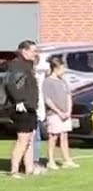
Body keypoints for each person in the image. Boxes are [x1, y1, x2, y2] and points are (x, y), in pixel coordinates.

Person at [5, 40, 40, 178]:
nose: (35, 54)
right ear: (24, 51)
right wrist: (19, 100)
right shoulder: (17, 65)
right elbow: (12, 84)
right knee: (23, 139)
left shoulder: (27, 65)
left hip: (30, 106)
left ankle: (29, 169)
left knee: (30, 139)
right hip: (22, 107)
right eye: (33, 51)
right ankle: (14, 170)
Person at [41, 55, 77, 169]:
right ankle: (50, 161)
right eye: (62, 68)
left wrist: (68, 111)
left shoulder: (63, 81)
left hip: (65, 113)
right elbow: (48, 99)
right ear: (56, 68)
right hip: (54, 114)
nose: (64, 71)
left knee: (64, 136)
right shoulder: (47, 81)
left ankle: (67, 159)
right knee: (53, 137)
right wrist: (58, 112)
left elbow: (68, 96)